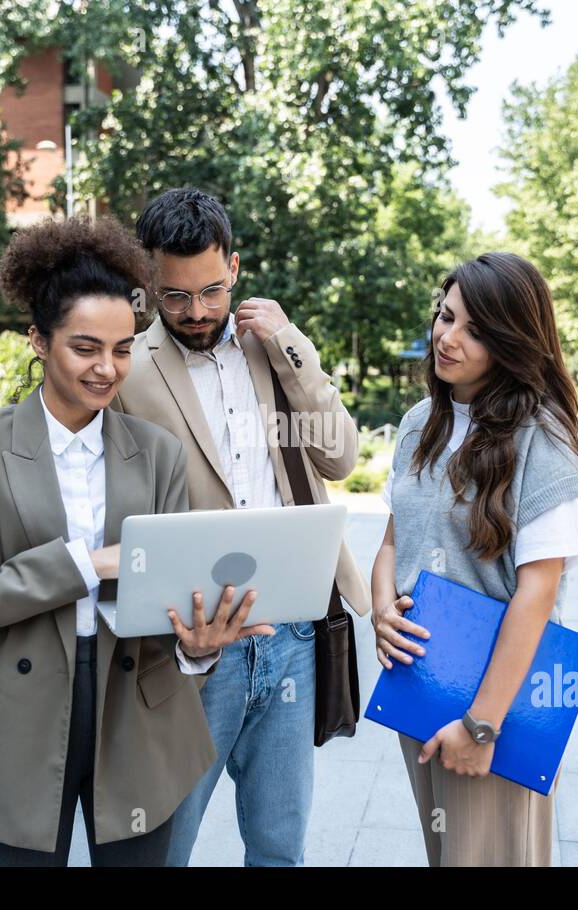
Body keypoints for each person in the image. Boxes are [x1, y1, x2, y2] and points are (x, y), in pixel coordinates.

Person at [0, 215, 272, 867]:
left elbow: (169, 595)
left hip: (136, 712)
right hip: (12, 721)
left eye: (122, 348)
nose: (107, 368)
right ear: (38, 340)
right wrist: (85, 563)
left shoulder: (158, 454)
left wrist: (196, 650)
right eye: (85, 347)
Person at [109, 186, 370, 867]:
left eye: (213, 291)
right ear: (148, 282)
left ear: (235, 266)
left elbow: (340, 456)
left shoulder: (273, 349)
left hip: (292, 634)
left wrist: (290, 344)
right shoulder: (130, 371)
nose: (197, 312)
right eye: (175, 296)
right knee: (168, 843)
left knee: (280, 847)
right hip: (196, 642)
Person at [371, 251, 578, 867]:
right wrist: (379, 609)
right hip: (422, 677)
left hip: (495, 699)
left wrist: (482, 726)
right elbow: (395, 539)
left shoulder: (540, 438)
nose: (449, 338)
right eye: (445, 317)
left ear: (512, 342)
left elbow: (539, 593)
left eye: (475, 330)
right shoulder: (420, 422)